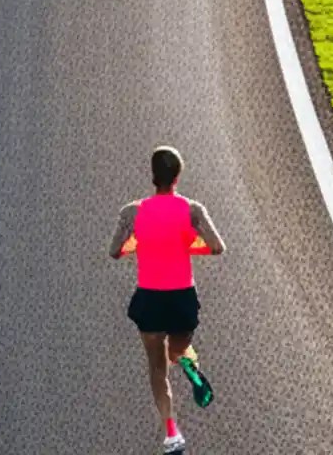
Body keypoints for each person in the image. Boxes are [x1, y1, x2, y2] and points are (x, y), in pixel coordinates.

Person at [109, 146, 226, 455]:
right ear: (177, 176)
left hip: (149, 299)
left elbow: (115, 250)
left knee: (157, 370)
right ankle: (188, 362)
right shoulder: (192, 210)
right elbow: (217, 247)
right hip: (182, 301)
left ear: (153, 175)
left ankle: (172, 435)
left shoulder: (131, 212)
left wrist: (137, 244)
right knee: (177, 349)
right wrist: (186, 246)